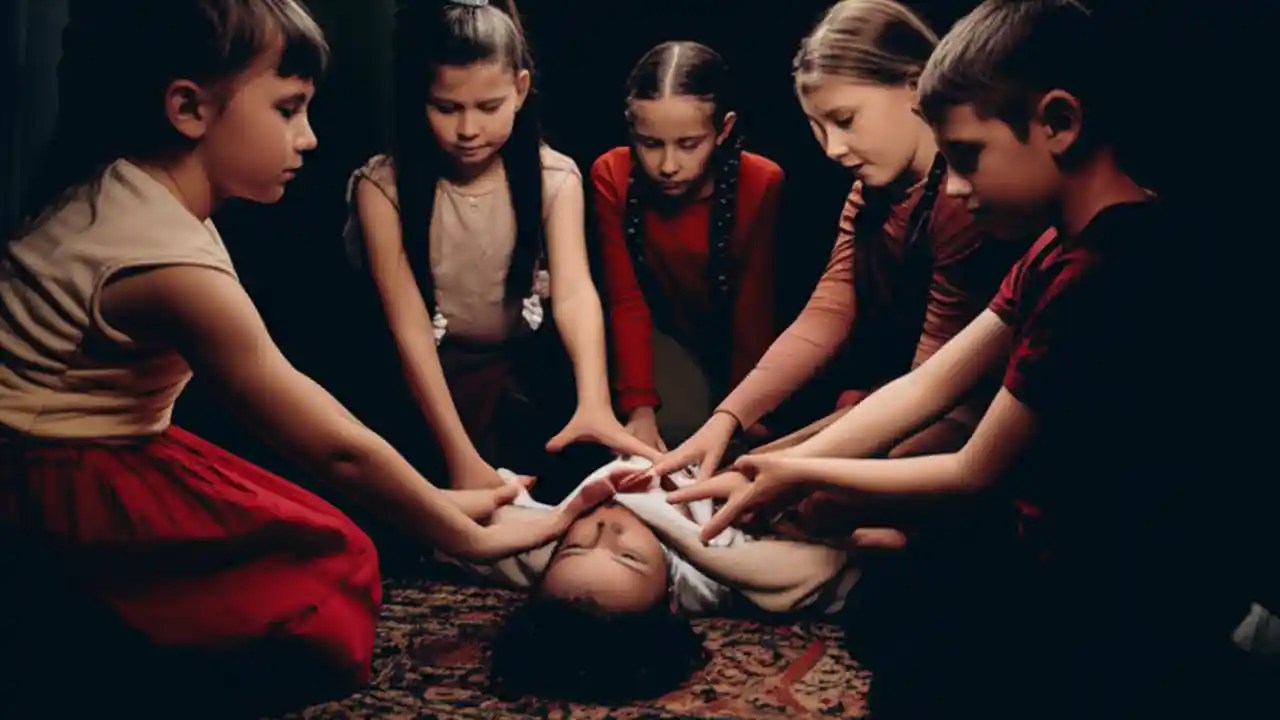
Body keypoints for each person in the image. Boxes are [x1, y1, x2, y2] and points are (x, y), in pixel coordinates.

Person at [0, 1, 599, 715]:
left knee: (329, 535)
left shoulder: (140, 191)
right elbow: (331, 446)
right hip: (48, 478)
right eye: (288, 110)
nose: (309, 138)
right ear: (190, 109)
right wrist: (467, 535)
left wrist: (439, 499)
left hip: (105, 446)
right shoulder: (167, 266)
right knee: (327, 587)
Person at [669, 1, 1254, 716]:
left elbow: (972, 469)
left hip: (1110, 580)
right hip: (1039, 549)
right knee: (901, 638)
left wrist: (799, 469)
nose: (951, 185)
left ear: (1059, 124)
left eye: (967, 157)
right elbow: (922, 388)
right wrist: (777, 462)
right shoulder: (1053, 245)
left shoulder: (1109, 269)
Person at [649, 0, 1030, 484]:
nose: (832, 147)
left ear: (915, 87)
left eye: (845, 120)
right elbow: (828, 311)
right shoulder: (870, 194)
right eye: (817, 126)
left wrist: (771, 468)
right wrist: (728, 419)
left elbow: (927, 397)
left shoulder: (960, 202)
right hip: (905, 408)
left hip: (962, 428)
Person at [346, 0, 654, 495]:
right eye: (446, 108)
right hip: (425, 383)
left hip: (519, 374)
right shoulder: (382, 187)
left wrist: (593, 401)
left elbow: (575, 292)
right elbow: (408, 325)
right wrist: (459, 458)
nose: (468, 129)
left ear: (520, 90)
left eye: (488, 107)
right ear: (419, 98)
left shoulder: (555, 177)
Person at [438, 452, 875, 704]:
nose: (604, 530)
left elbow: (430, 518)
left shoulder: (533, 553)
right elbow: (828, 569)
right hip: (719, 458)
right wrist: (681, 534)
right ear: (669, 598)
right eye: (628, 556)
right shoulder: (697, 579)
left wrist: (561, 518)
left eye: (574, 546)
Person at [592, 41, 784, 450]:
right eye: (650, 143)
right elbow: (626, 300)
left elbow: (755, 306)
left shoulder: (761, 182)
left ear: (724, 129)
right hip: (655, 342)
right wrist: (639, 410)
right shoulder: (611, 174)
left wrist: (746, 410)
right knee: (676, 424)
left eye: (688, 144)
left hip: (736, 349)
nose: (667, 165)